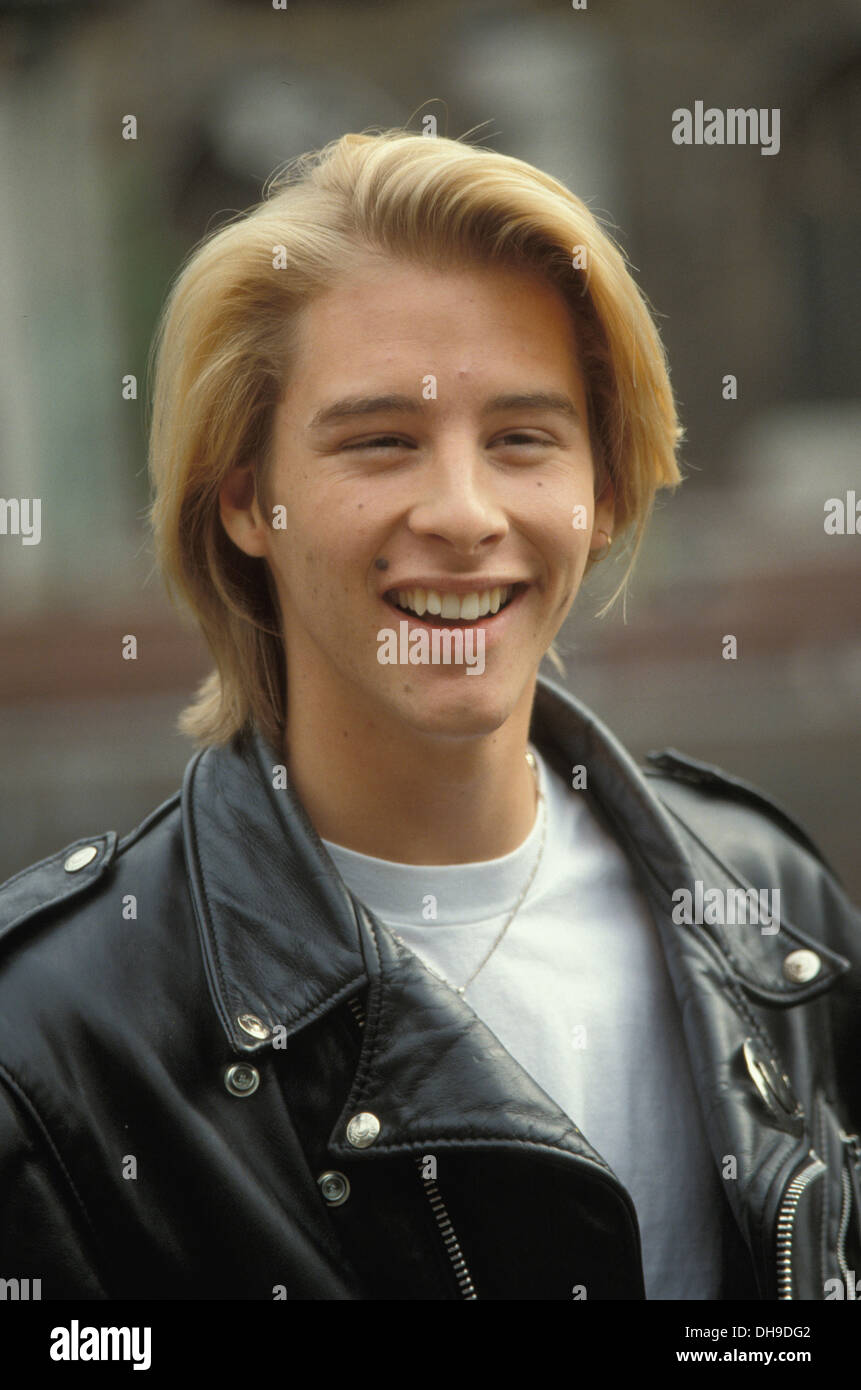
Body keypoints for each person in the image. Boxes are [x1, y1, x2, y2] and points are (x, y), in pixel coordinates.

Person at [1, 128, 859, 1302]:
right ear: (249, 501)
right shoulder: (53, 1031)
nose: (463, 512)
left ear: (599, 490)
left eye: (521, 438)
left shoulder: (774, 909)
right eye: (381, 441)